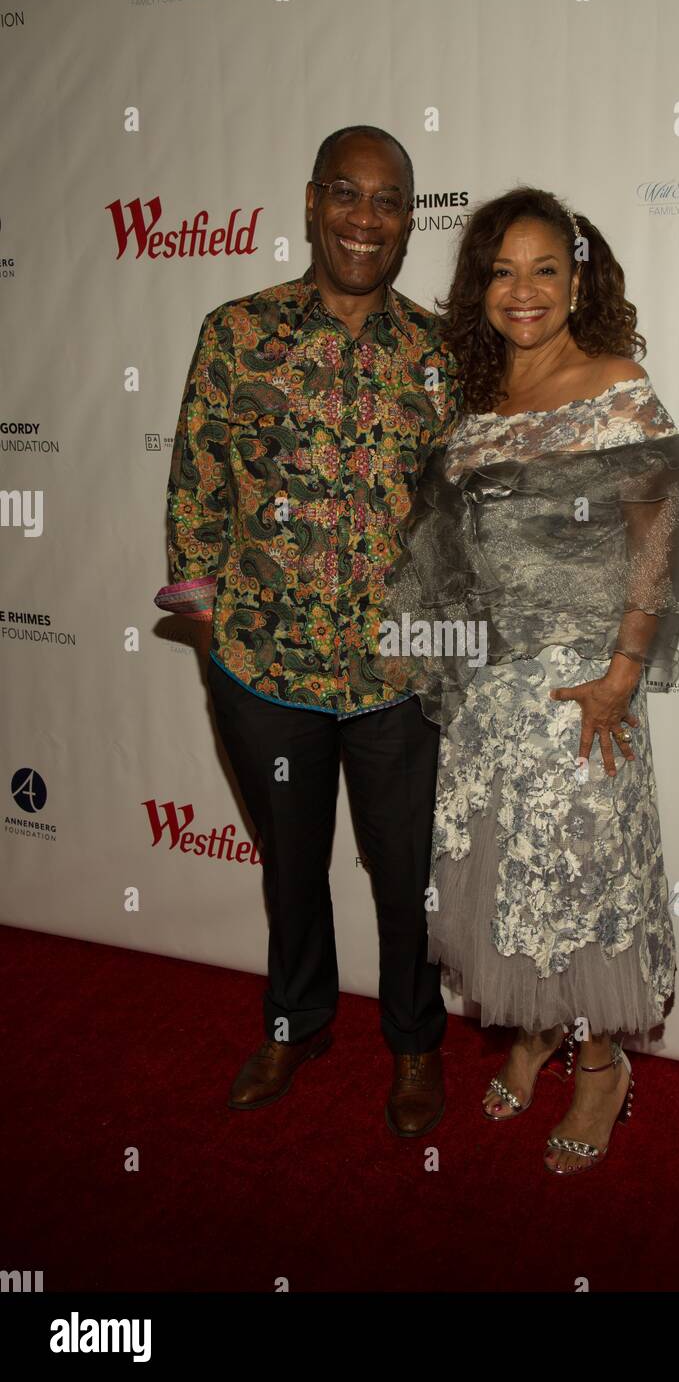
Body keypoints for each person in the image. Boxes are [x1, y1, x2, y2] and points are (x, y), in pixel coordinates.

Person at [370, 187, 679, 1173]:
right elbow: (448, 554)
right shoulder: (474, 410)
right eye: (500, 271)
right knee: (504, 874)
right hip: (491, 695)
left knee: (574, 876)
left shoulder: (614, 385)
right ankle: (530, 1029)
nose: (522, 291)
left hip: (580, 693)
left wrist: (617, 677)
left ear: (575, 278)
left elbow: (656, 538)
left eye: (543, 270)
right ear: (478, 284)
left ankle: (599, 1064)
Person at [154, 126, 460, 1137]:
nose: (363, 219)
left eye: (386, 201)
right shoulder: (235, 333)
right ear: (311, 201)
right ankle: (295, 1022)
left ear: (407, 221)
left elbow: (460, 513)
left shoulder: (436, 355)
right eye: (346, 193)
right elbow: (196, 486)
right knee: (289, 863)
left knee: (405, 873)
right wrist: (210, 636)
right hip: (263, 669)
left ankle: (414, 1045)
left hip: (394, 678)